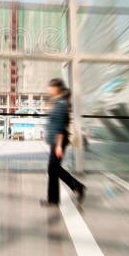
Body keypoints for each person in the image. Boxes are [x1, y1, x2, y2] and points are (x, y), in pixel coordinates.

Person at [41, 77, 86, 207]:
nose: (48, 89)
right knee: (54, 169)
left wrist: (59, 146)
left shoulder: (61, 104)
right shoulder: (57, 102)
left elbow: (61, 126)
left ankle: (73, 188)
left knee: (53, 169)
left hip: (58, 141)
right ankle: (74, 188)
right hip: (55, 141)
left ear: (57, 88)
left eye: (50, 87)